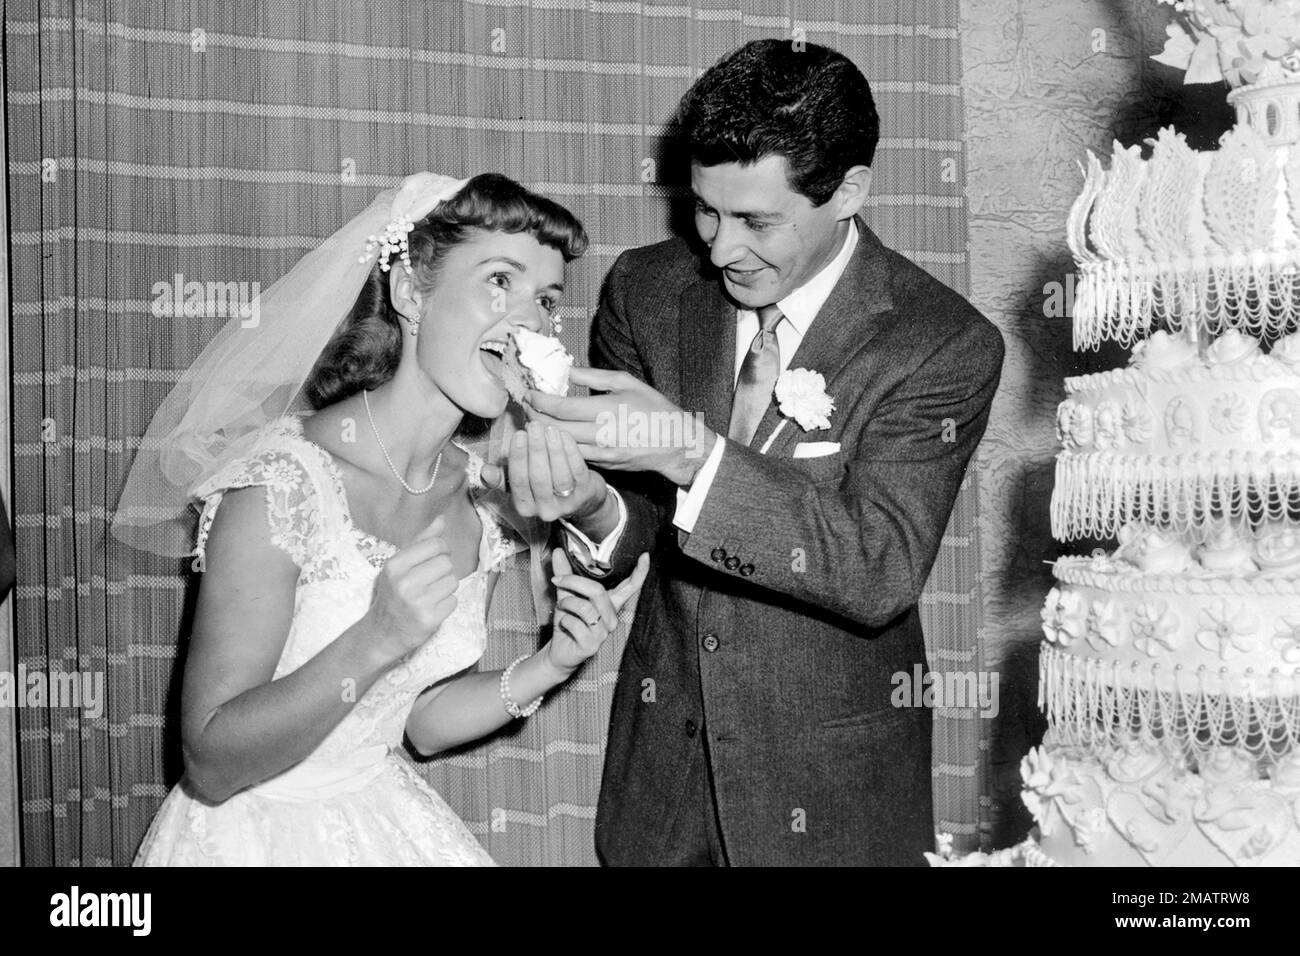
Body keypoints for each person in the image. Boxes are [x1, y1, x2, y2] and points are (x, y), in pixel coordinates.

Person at [526, 40, 1005, 865]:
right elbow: (631, 517)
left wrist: (690, 454)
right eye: (706, 209)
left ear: (849, 191)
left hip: (833, 788)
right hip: (662, 779)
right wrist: (587, 505)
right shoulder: (644, 290)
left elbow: (876, 566)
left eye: (756, 221)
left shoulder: (941, 342)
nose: (717, 249)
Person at [115, 172, 647, 866]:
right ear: (409, 293)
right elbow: (211, 761)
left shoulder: (477, 499)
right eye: (498, 282)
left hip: (382, 819)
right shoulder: (283, 482)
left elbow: (416, 722)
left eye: (546, 300)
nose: (529, 321)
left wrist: (550, 664)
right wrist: (374, 638)